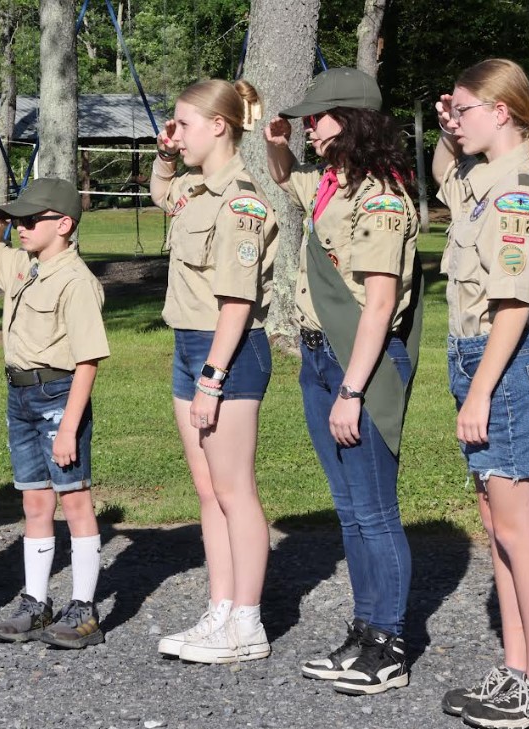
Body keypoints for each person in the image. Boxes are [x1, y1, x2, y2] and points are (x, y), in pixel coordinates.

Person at [432, 58, 529, 729]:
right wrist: (445, 131)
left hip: (507, 364)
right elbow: (445, 181)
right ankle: (519, 670)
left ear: (498, 111)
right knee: (496, 527)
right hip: (480, 360)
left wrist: (479, 393)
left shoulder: (518, 188)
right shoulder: (480, 174)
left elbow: (513, 305)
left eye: (461, 110)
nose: (454, 121)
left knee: (520, 530)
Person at [264, 67, 422, 694]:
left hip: (363, 365)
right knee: (352, 511)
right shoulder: (333, 183)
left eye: (317, 116)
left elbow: (380, 307)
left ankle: (388, 644)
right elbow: (284, 176)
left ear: (350, 119)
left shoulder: (381, 198)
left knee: (375, 512)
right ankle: (364, 630)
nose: (309, 125)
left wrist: (353, 392)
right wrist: (277, 141)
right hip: (321, 359)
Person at [150, 79, 278, 664]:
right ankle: (220, 609)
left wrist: (211, 377)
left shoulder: (241, 201)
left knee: (235, 490)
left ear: (219, 126)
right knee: (208, 492)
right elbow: (162, 196)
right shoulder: (195, 189)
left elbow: (237, 303)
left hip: (226, 349)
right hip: (190, 342)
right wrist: (164, 156)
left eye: (182, 124)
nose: (173, 133)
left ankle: (247, 623)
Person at [0, 179, 110, 650]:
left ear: (64, 224)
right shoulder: (25, 264)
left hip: (58, 395)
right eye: (19, 219)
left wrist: (70, 427)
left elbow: (88, 360)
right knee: (35, 502)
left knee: (74, 500)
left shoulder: (76, 282)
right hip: (20, 397)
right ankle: (36, 602)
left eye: (31, 219)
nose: (21, 227)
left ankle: (84, 608)